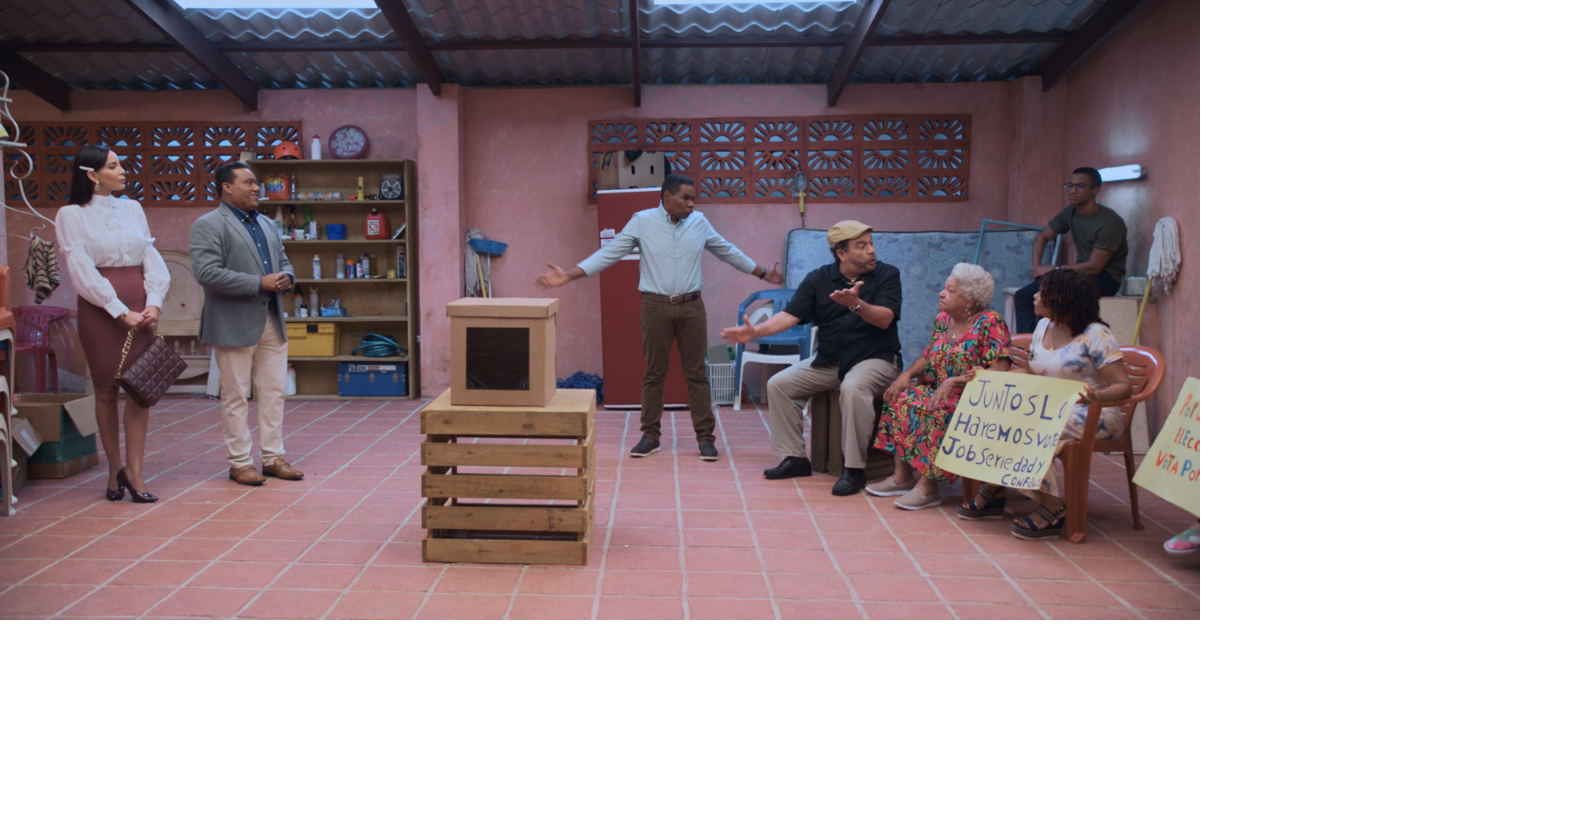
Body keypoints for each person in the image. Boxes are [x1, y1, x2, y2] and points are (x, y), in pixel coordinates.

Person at [535, 174, 782, 462]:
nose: (692, 204)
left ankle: (705, 438)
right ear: (666, 197)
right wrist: (569, 275)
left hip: (691, 308)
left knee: (697, 375)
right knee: (654, 374)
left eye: (693, 199)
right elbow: (608, 254)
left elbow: (728, 252)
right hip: (655, 308)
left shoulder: (699, 222)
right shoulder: (642, 220)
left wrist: (763, 273)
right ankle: (650, 436)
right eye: (685, 198)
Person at [721, 220, 901, 496]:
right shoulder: (819, 279)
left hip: (876, 359)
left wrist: (856, 303)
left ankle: (854, 470)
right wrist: (755, 331)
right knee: (780, 385)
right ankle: (795, 458)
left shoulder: (888, 275)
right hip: (831, 360)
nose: (871, 251)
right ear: (842, 254)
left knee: (854, 388)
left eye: (871, 244)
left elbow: (885, 319)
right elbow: (789, 316)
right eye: (862, 246)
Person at [960, 269, 1132, 539]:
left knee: (1030, 429)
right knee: (997, 418)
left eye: (1044, 292)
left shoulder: (1096, 335)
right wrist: (986, 378)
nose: (1035, 296)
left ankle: (1052, 507)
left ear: (1063, 299)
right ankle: (995, 488)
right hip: (1048, 409)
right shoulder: (1043, 327)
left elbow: (1123, 386)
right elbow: (1030, 371)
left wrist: (1097, 396)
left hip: (1094, 412)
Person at [55, 145, 172, 503]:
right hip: (101, 309)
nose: (123, 171)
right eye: (114, 166)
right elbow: (81, 271)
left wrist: (153, 302)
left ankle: (135, 471)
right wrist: (119, 310)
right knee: (106, 390)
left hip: (141, 306)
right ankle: (114, 469)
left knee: (141, 389)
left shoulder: (133, 209)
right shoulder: (71, 214)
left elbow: (150, 258)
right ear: (91, 174)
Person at [190, 160, 304, 486]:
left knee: (274, 392)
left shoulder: (267, 224)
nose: (257, 188)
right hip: (232, 323)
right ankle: (239, 462)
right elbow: (206, 273)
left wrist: (286, 277)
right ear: (227, 187)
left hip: (271, 319)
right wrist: (259, 283)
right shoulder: (209, 224)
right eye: (249, 182)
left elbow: (283, 262)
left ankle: (272, 458)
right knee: (236, 396)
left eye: (256, 183)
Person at [868, 264, 1009, 510]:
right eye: (944, 288)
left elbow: (999, 371)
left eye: (950, 290)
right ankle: (902, 476)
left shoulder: (990, 323)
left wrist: (954, 381)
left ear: (970, 300)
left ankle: (928, 487)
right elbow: (928, 356)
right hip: (938, 390)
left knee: (938, 410)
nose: (941, 294)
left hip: (972, 399)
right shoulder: (944, 321)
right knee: (900, 398)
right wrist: (906, 375)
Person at [1013, 167, 1129, 334]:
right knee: (1025, 296)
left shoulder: (1110, 223)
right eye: (1069, 185)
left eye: (1080, 186)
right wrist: (1038, 267)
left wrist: (1054, 269)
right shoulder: (1071, 212)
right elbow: (1042, 237)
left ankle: (1062, 344)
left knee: (1054, 299)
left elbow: (1095, 267)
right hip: (1078, 274)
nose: (1072, 190)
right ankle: (1026, 349)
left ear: (1095, 190)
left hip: (1105, 278)